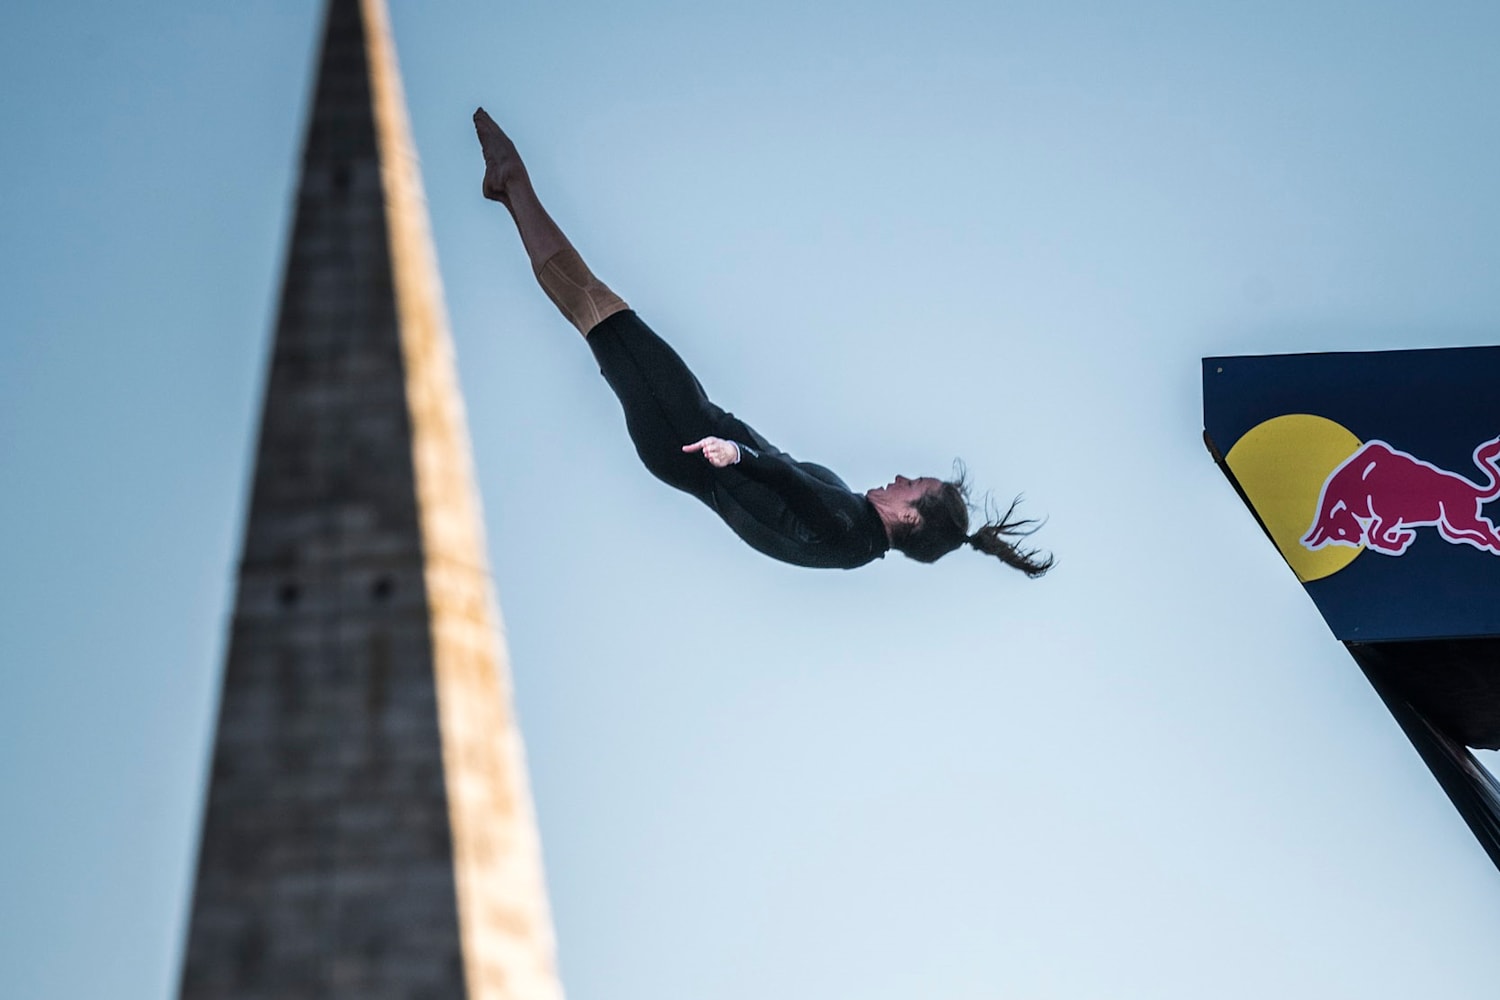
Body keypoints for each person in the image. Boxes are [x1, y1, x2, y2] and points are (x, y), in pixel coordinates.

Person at [472, 108, 1052, 576]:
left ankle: (512, 181)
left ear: (910, 517)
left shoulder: (850, 529)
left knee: (596, 305)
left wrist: (737, 454)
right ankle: (509, 190)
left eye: (912, 485)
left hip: (689, 435)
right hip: (690, 443)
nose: (901, 477)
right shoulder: (853, 534)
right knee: (594, 310)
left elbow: (789, 482)